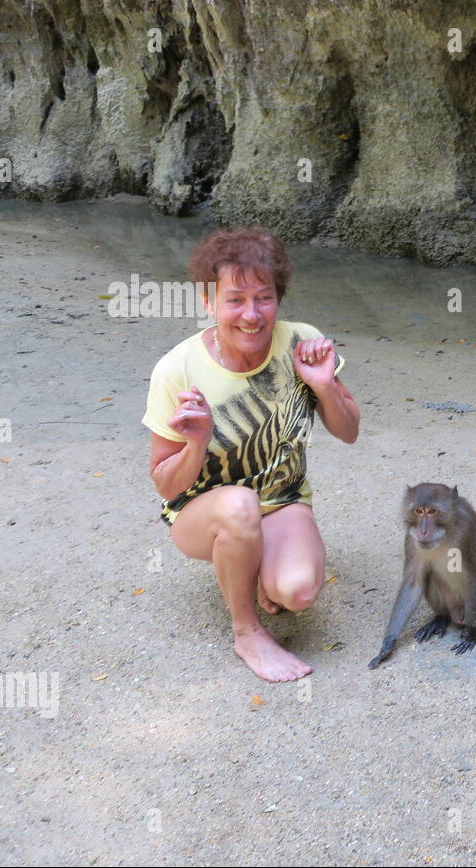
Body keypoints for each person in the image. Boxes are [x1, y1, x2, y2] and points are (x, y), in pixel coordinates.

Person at [141, 227, 360, 682]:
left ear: (279, 298)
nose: (251, 315)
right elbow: (164, 483)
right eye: (235, 299)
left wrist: (322, 386)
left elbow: (349, 431)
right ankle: (247, 633)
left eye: (264, 298)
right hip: (201, 513)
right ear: (209, 301)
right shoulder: (176, 369)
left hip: (282, 500)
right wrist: (197, 442)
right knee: (239, 503)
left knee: (297, 593)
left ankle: (260, 566)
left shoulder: (302, 342)